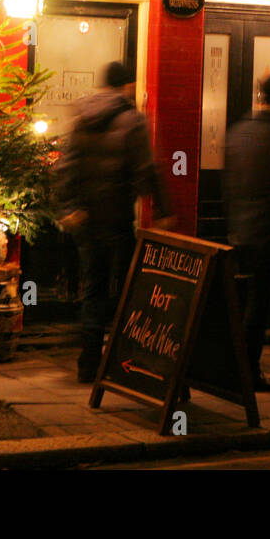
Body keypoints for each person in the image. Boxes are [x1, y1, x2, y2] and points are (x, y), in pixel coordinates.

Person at [56, 60, 171, 382]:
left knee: (93, 289)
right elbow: (147, 169)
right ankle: (125, 361)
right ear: (127, 85)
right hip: (117, 218)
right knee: (126, 290)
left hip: (87, 221)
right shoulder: (133, 120)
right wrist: (162, 210)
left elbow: (67, 166)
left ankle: (88, 363)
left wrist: (68, 206)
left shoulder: (82, 118)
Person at [225, 74, 270, 392]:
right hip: (267, 232)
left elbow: (230, 183)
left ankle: (231, 363)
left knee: (241, 301)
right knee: (259, 303)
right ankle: (249, 371)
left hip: (241, 230)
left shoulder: (239, 131)